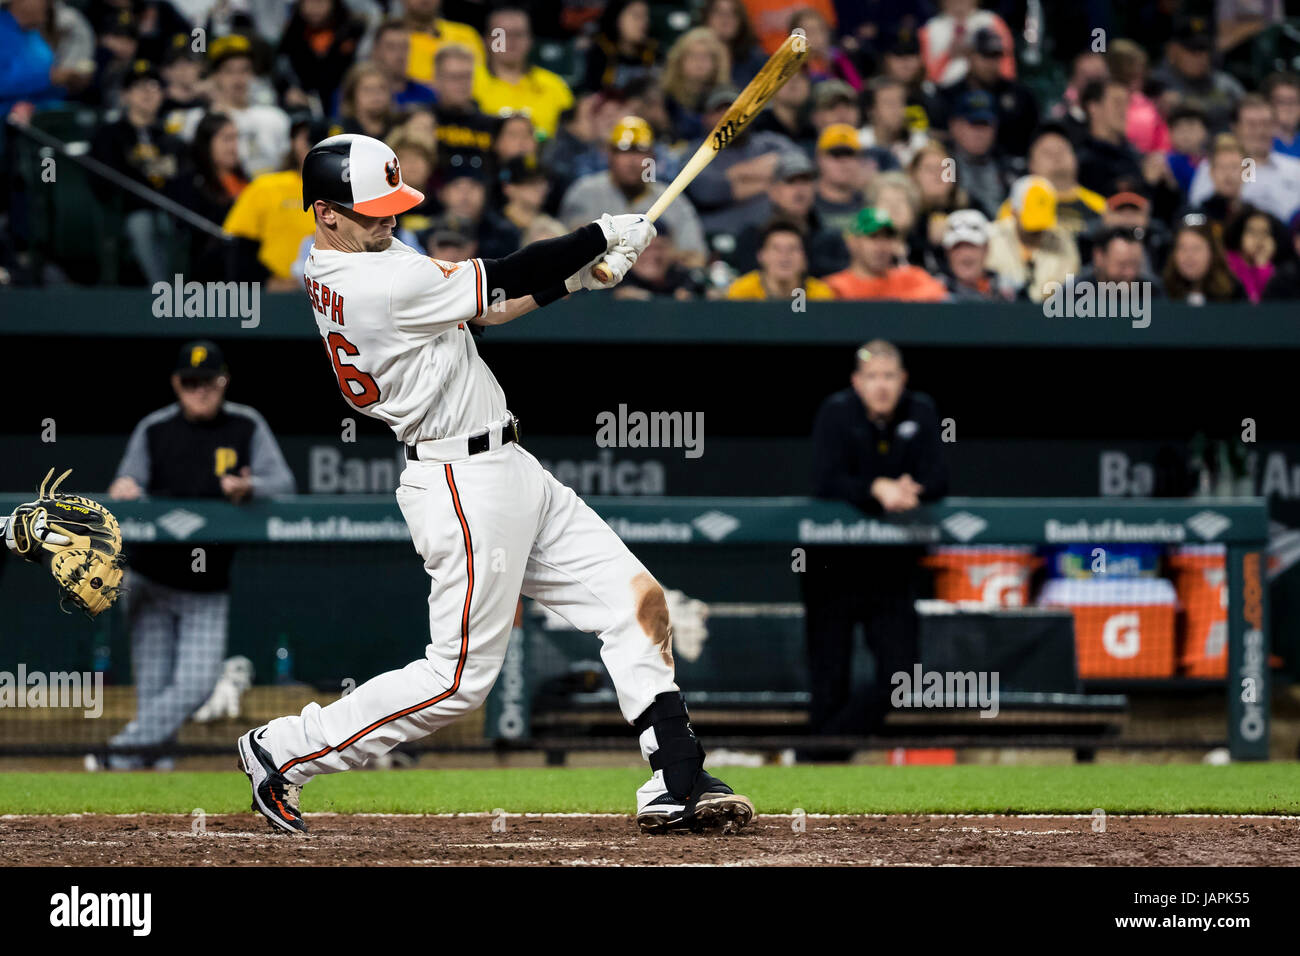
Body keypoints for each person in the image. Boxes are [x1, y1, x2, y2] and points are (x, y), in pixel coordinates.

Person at [239, 132, 754, 836]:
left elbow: (488, 308)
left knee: (633, 600)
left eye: (394, 207)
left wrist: (578, 276)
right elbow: (503, 273)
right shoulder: (376, 282)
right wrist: (598, 233)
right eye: (373, 211)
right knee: (457, 681)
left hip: (507, 466)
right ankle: (282, 748)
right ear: (326, 213)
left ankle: (677, 774)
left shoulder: (372, 259)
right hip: (460, 478)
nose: (390, 221)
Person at [104, 340, 294, 770]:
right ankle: (150, 788)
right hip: (150, 580)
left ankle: (118, 754)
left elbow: (283, 482)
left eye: (208, 381)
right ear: (177, 384)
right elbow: (125, 483)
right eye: (191, 383)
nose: (200, 390)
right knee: (154, 692)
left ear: (223, 381)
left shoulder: (246, 425)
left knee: (196, 683)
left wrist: (252, 488)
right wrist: (126, 490)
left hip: (206, 585)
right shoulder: (155, 428)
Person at [802, 339, 949, 755]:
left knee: (901, 674)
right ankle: (820, 778)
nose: (881, 386)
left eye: (888, 377)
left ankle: (820, 753)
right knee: (829, 677)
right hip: (832, 567)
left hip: (893, 567)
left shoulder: (921, 411)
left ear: (902, 380)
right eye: (872, 378)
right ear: (856, 382)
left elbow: (939, 478)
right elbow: (825, 480)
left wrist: (908, 489)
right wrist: (875, 488)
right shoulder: (836, 412)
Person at [559, 116, 708, 267]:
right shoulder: (585, 192)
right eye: (624, 152)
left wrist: (658, 255)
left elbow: (696, 257)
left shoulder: (671, 198)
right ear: (609, 155)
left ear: (652, 157)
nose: (632, 161)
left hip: (658, 286)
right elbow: (570, 253)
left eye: (640, 152)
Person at [89, 61, 185, 285]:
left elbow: (183, 179)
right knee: (142, 224)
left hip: (170, 211)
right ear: (125, 95)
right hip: (128, 211)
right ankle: (164, 292)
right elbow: (105, 182)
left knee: (173, 225)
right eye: (139, 88)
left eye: (154, 88)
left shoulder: (171, 138)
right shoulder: (109, 135)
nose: (147, 94)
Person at [222, 115, 328, 289]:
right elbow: (238, 247)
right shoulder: (266, 187)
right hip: (276, 296)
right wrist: (267, 283)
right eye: (304, 137)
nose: (310, 143)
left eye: (318, 137)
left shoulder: (348, 194)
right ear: (293, 143)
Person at [176, 34, 290, 178]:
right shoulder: (195, 121)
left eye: (244, 70)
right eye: (229, 71)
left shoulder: (275, 117)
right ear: (215, 76)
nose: (238, 78)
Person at [728, 151, 848, 277]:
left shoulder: (830, 238)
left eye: (806, 181)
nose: (800, 189)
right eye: (791, 181)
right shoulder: (753, 236)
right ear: (773, 191)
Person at [1188, 95, 1300, 226]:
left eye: (1266, 124)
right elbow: (1199, 210)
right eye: (1251, 125)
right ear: (1235, 127)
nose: (1260, 131)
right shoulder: (1213, 165)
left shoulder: (1295, 168)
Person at [472, 7, 573, 140]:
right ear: (487, 39)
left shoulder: (554, 85)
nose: (511, 40)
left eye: (519, 34)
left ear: (530, 40)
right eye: (500, 34)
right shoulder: (469, 81)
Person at [938, 26, 1038, 157]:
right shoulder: (949, 95)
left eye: (996, 56)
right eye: (985, 55)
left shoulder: (1021, 96)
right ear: (970, 56)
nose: (991, 63)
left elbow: (1035, 138)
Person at [985, 174, 1081, 303]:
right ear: (1014, 211)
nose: (1037, 230)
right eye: (1032, 223)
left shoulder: (1064, 243)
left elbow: (1068, 285)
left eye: (1042, 223)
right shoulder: (991, 238)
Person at [825, 207, 947, 301]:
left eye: (887, 238)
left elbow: (939, 292)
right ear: (852, 242)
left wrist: (892, 303)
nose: (881, 246)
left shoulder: (910, 277)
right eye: (873, 237)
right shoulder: (836, 287)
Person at [1149, 14, 1245, 133]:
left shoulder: (1226, 85)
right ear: (1173, 50)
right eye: (1192, 50)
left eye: (1204, 50)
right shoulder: (1156, 83)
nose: (1200, 57)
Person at [276, 0, 364, 115]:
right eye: (309, 2)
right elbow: (281, 71)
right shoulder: (292, 32)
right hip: (303, 102)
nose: (314, 8)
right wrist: (288, 91)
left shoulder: (351, 30)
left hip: (340, 99)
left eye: (321, 2)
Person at [725, 218, 836, 301]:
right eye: (776, 249)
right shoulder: (742, 293)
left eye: (792, 249)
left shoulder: (820, 295)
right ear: (761, 256)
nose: (785, 256)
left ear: (805, 257)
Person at [431, 43, 495, 176]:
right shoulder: (421, 122)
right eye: (454, 77)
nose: (462, 84)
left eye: (467, 76)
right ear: (437, 80)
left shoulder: (490, 126)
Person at [919, 0, 1015, 87]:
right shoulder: (931, 28)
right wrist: (948, 55)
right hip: (942, 93)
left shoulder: (992, 21)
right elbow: (924, 74)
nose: (959, 2)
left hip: (989, 89)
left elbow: (1006, 64)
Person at [661, 26, 731, 143]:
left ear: (717, 62)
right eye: (693, 55)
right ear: (679, 60)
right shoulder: (665, 97)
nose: (699, 62)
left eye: (706, 56)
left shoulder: (726, 98)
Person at [947, 89, 1010, 218]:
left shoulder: (1007, 167)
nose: (980, 133)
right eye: (974, 124)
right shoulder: (943, 164)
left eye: (986, 124)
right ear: (954, 126)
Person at [939, 208, 1015, 301]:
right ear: (947, 252)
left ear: (986, 249)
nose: (965, 254)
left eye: (971, 246)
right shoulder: (934, 293)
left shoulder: (1009, 292)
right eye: (957, 247)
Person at [1162, 218, 1243, 304]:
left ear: (1212, 253)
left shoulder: (1233, 291)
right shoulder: (1158, 290)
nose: (1188, 256)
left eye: (1196, 248)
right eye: (1183, 248)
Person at [582, 0, 657, 93]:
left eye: (646, 16)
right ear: (617, 18)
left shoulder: (654, 53)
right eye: (637, 16)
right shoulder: (599, 53)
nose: (645, 22)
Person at [1222, 206, 1288, 303]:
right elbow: (1251, 302)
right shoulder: (1227, 263)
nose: (1259, 238)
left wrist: (1262, 266)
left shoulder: (1281, 269)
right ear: (1240, 235)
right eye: (1252, 231)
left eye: (1265, 232)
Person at [814, 123, 870, 234]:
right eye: (836, 154)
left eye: (849, 154)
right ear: (819, 159)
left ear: (860, 160)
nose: (843, 161)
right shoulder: (806, 202)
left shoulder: (868, 204)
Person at [368, 19, 435, 112]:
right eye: (391, 47)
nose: (400, 55)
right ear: (375, 52)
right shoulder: (360, 96)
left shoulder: (427, 95)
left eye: (404, 47)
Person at [700, 0, 766, 88]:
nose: (725, 18)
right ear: (707, 17)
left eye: (733, 13)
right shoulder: (692, 52)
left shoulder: (756, 60)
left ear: (741, 21)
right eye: (718, 12)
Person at [1264, 72, 1300, 159]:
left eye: (1294, 101)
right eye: (1281, 102)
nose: (1288, 108)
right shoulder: (1260, 143)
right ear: (1267, 104)